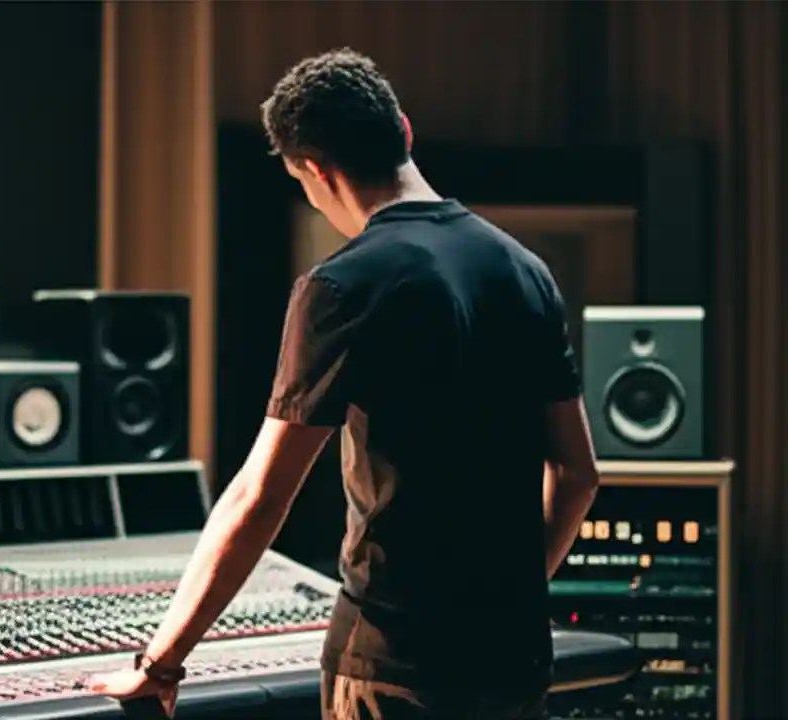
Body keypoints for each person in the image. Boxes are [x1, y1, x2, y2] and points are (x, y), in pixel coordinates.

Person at [87, 49, 601, 720]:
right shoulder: (525, 269)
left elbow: (259, 497)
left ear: (314, 169)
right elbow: (578, 473)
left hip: (397, 665)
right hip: (514, 658)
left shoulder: (342, 286)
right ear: (403, 130)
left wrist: (160, 664)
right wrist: (511, 596)